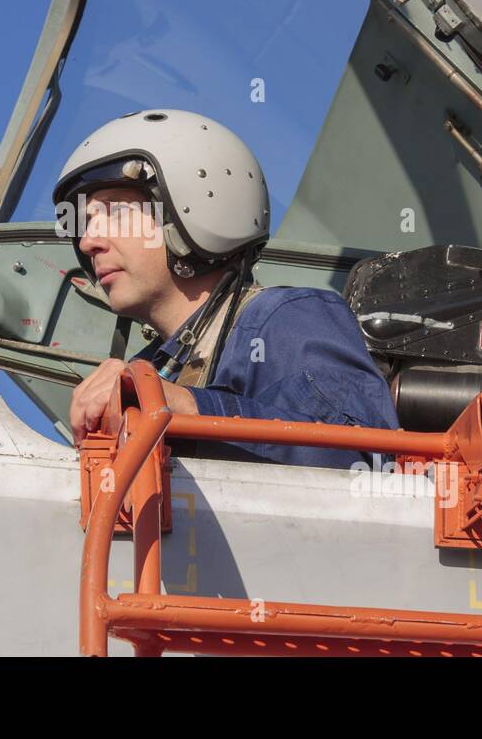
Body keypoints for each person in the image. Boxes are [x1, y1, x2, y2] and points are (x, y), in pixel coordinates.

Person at [54, 109, 398, 469]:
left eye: (116, 212)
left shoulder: (282, 320)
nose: (89, 241)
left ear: (196, 206)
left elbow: (363, 464)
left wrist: (189, 410)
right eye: (86, 222)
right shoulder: (151, 373)